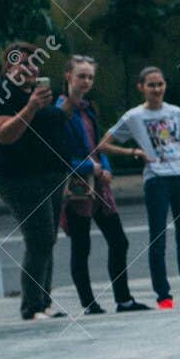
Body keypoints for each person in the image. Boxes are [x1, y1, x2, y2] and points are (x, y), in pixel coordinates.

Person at [98, 66, 180, 308]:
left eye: (160, 84)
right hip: (156, 179)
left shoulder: (177, 112)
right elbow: (103, 145)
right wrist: (134, 151)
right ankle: (164, 296)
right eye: (151, 85)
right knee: (158, 237)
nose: (156, 89)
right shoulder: (134, 117)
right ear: (141, 88)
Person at [57, 55, 147, 314]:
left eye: (90, 77)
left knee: (119, 241)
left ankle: (124, 299)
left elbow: (97, 145)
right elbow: (58, 155)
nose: (86, 81)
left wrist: (105, 167)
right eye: (81, 76)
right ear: (68, 77)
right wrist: (90, 167)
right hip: (77, 187)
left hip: (99, 185)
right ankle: (89, 303)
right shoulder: (60, 111)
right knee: (81, 245)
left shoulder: (87, 108)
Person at [0, 41, 71, 320]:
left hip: (51, 175)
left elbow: (57, 126)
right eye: (22, 62)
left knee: (48, 239)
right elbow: (3, 134)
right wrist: (31, 107)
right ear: (8, 67)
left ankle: (43, 303)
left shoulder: (43, 94)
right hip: (17, 177)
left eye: (34, 62)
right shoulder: (0, 96)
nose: (30, 68)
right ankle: (32, 306)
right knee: (39, 238)